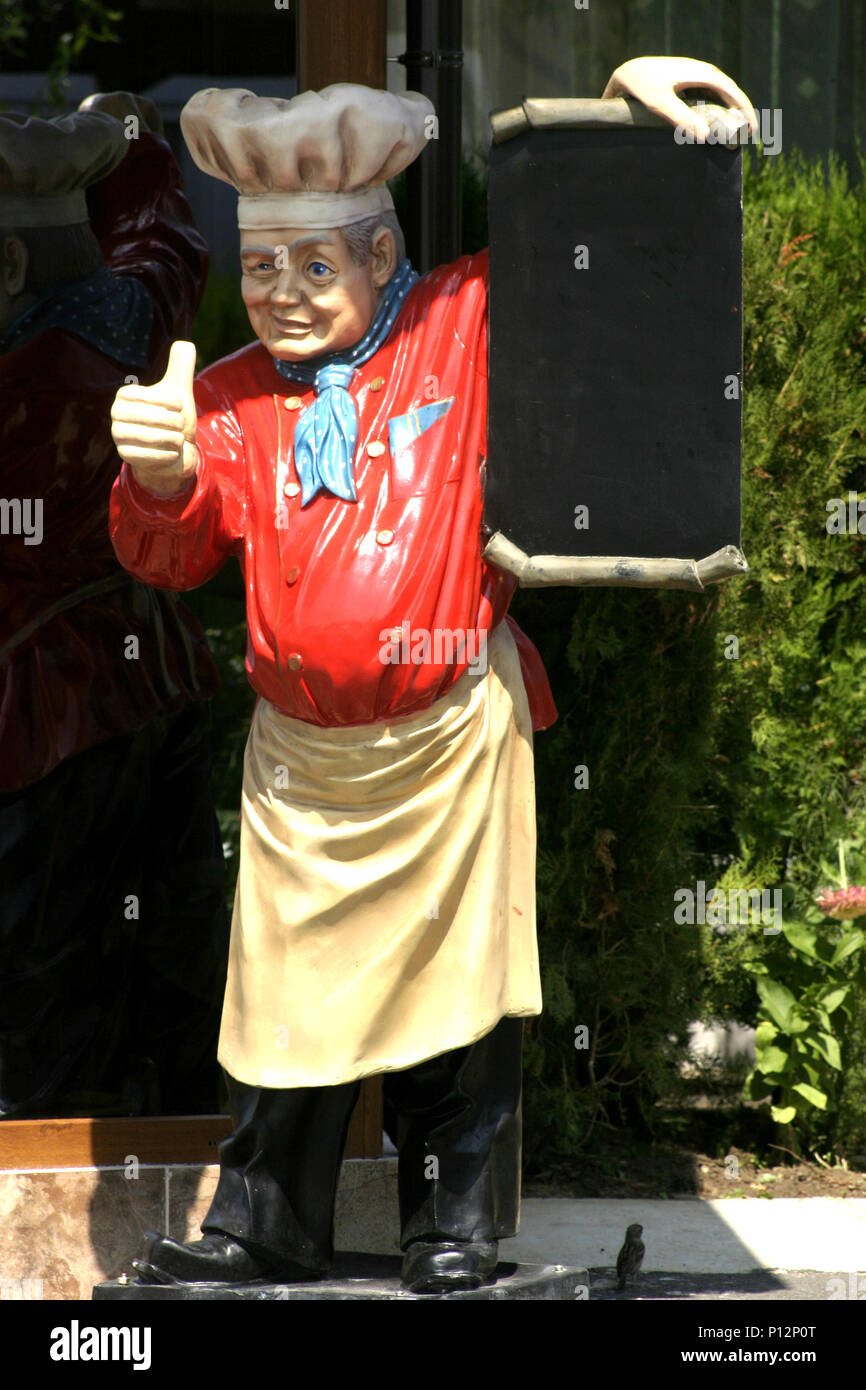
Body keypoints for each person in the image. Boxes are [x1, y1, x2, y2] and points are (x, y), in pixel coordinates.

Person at [109, 58, 755, 1292]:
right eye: (258, 268)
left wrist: (616, 113)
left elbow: (596, 263)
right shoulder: (238, 401)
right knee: (282, 1009)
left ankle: (449, 1223)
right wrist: (157, 478)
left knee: (460, 1003)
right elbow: (177, 551)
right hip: (304, 764)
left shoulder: (461, 327)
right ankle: (265, 1221)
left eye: (313, 266)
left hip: (448, 737)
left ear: (378, 253)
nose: (284, 297)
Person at [0, 95, 229, 1118]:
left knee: (38, 960)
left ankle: (38, 1161)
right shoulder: (128, 320)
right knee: (154, 936)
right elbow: (166, 246)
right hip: (145, 678)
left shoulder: (31, 385)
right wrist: (128, 140)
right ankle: (172, 1137)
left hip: (41, 710)